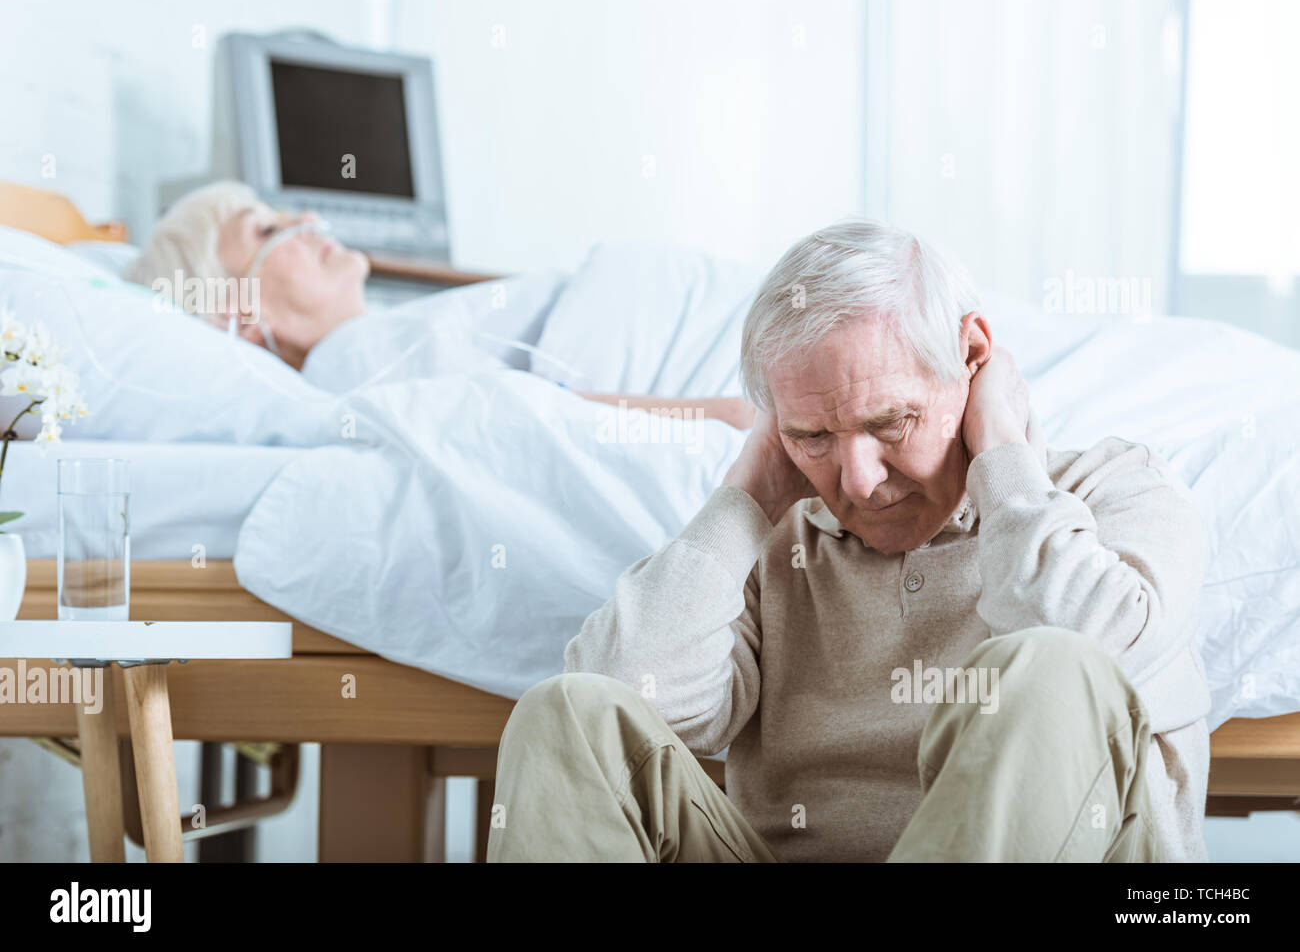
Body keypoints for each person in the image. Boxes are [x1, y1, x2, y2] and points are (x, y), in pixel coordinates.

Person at [486, 219, 1213, 862]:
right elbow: (625, 688)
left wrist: (1001, 456)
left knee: (1056, 664)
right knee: (567, 712)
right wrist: (748, 498)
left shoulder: (1118, 490)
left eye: (890, 422)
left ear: (972, 356)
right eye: (812, 436)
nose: (859, 480)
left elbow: (1101, 662)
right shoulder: (776, 545)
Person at [123, 181, 754, 428]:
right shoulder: (352, 362)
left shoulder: (374, 342)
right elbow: (532, 417)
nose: (306, 218)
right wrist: (719, 416)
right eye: (264, 230)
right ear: (237, 317)